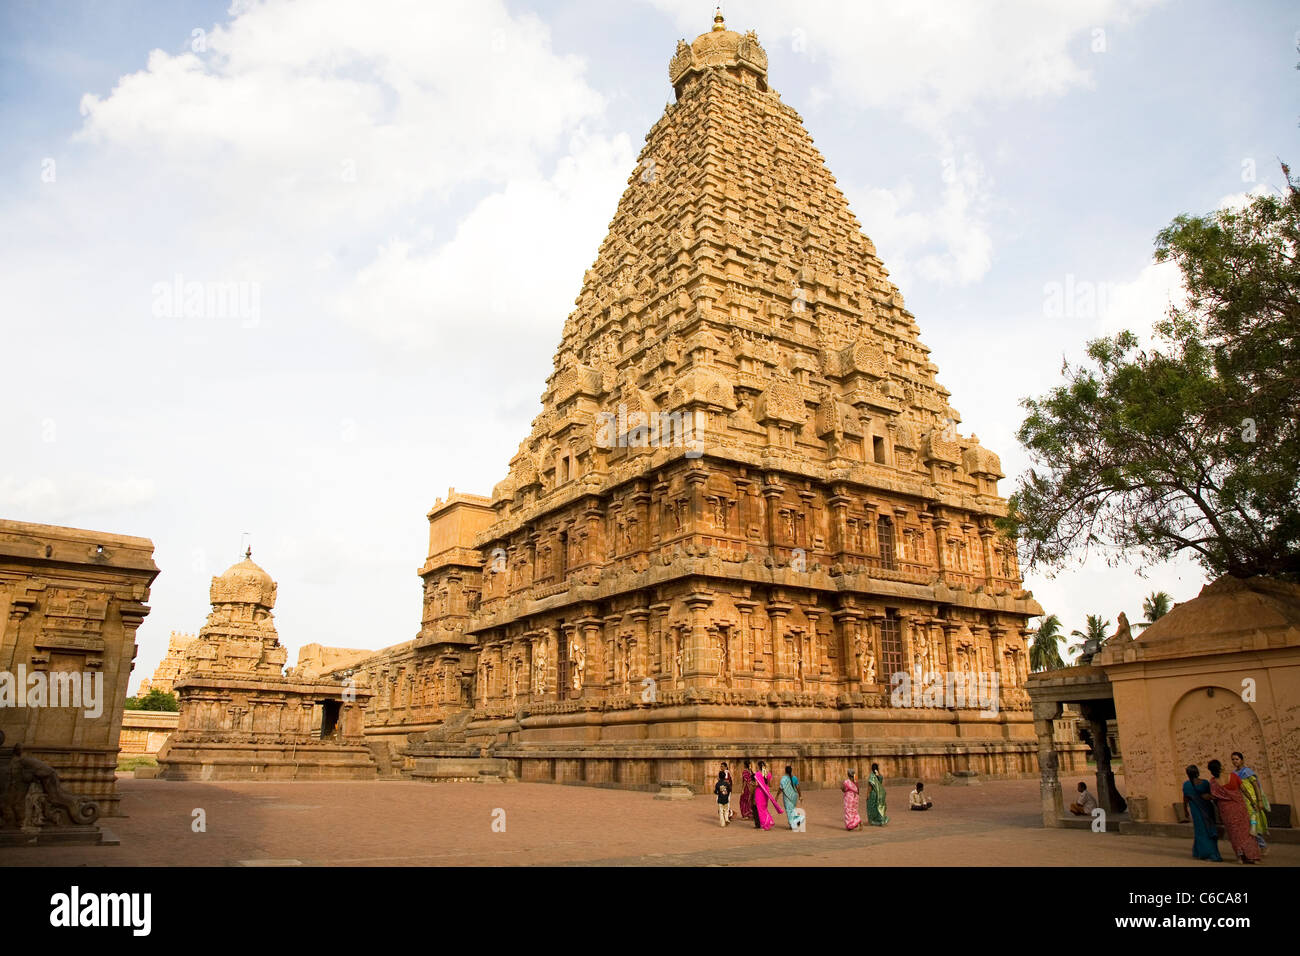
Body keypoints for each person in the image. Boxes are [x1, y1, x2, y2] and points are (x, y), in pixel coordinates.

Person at [1208, 759, 1261, 863]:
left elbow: (1214, 797)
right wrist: (1253, 802)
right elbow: (1244, 790)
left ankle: (1240, 857)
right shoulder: (1233, 776)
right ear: (1221, 767)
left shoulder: (1213, 782)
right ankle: (1252, 856)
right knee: (1246, 832)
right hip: (1239, 807)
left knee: (1234, 833)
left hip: (1226, 810)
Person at [1230, 751, 1269, 855]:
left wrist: (1259, 801)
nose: (1235, 761)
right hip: (1242, 802)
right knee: (1247, 825)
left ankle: (1262, 845)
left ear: (1242, 760)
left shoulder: (1247, 772)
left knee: (1253, 824)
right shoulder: (1234, 774)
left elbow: (1256, 786)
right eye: (1233, 759)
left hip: (1252, 801)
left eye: (1236, 759)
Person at [1182, 765, 1222, 862]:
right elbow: (1211, 795)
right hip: (1207, 810)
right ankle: (1211, 853)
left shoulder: (1186, 785)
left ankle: (1206, 853)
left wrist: (1185, 811)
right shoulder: (1204, 783)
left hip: (1196, 811)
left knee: (1200, 832)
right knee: (1209, 830)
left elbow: (1185, 799)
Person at [753, 760, 783, 831]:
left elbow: (757, 784)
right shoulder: (768, 774)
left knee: (760, 809)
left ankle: (765, 825)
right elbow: (770, 785)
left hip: (759, 792)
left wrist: (752, 784)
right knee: (764, 808)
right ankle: (768, 822)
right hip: (766, 793)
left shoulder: (757, 774)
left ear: (758, 766)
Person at [779, 764, 805, 831]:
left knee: (789, 810)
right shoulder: (795, 778)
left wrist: (776, 796)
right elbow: (798, 787)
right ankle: (796, 821)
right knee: (793, 809)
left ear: (785, 771)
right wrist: (800, 796)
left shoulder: (783, 779)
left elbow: (781, 788)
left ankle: (793, 824)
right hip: (794, 796)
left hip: (787, 797)